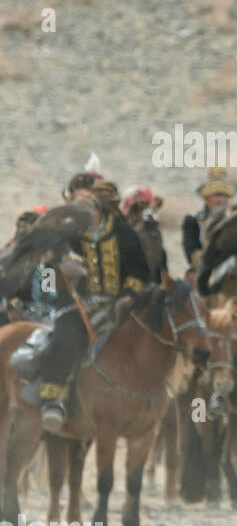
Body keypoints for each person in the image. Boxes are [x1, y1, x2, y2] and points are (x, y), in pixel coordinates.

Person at [38, 178, 149, 432]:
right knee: (66, 337)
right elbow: (46, 273)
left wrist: (129, 293)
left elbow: (139, 270)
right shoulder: (65, 234)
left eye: (87, 203)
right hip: (75, 305)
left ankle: (147, 398)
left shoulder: (124, 233)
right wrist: (58, 275)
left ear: (99, 206)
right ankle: (53, 400)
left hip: (118, 305)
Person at [181, 167, 236, 268]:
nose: (220, 200)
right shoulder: (193, 222)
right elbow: (192, 253)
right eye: (216, 195)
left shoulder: (236, 220)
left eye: (224, 195)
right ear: (206, 198)